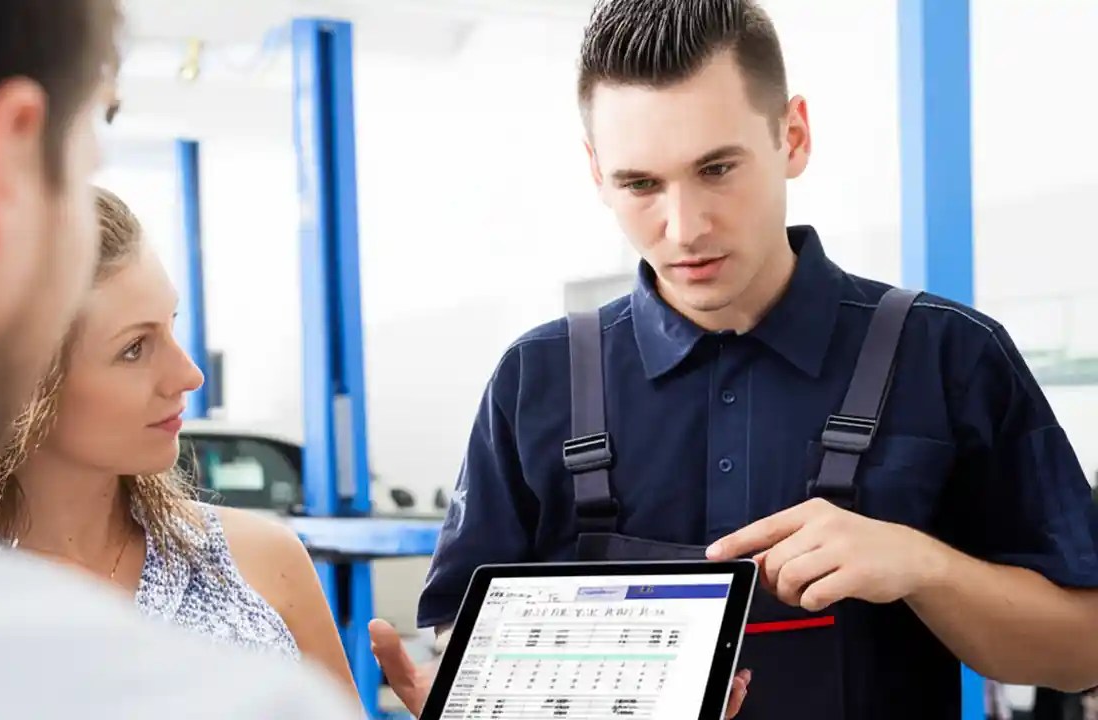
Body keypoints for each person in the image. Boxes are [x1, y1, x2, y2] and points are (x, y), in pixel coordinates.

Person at [371, 1, 1098, 718]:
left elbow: (1082, 649)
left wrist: (923, 564)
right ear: (596, 172)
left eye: (717, 168)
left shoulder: (950, 357)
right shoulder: (535, 379)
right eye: (641, 184)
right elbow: (462, 634)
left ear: (794, 136)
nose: (685, 227)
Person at [0, 3, 358, 718]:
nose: (188, 376)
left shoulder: (252, 562)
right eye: (86, 160)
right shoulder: (232, 699)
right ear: (4, 162)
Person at [0, 187, 357, 696]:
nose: (189, 375)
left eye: (171, 326)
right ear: (26, 382)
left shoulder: (263, 561)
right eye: (134, 348)